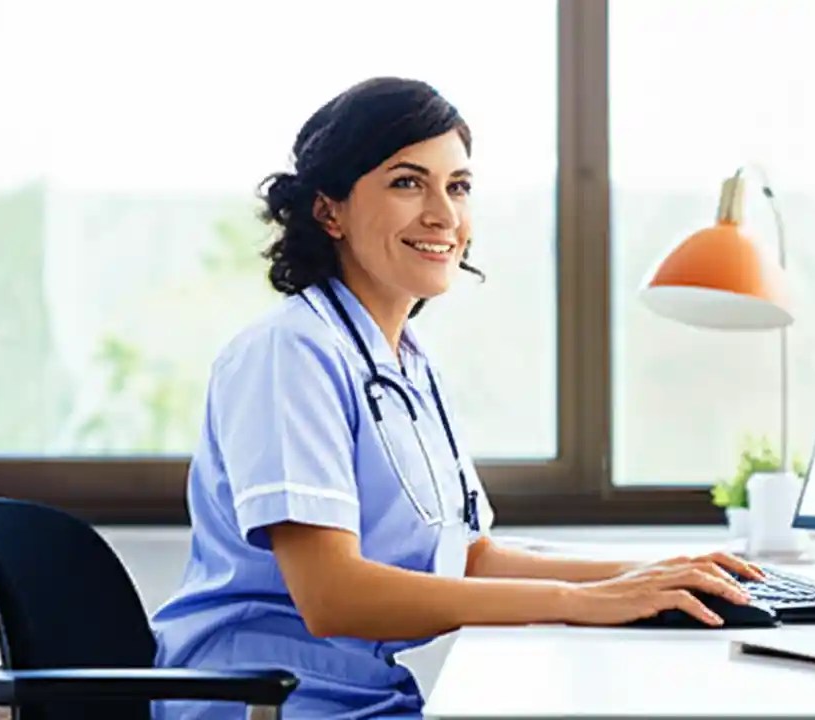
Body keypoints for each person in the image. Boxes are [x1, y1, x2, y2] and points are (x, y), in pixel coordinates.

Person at [150, 76, 763, 719]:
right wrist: (579, 602)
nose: (444, 214)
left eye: (459, 186)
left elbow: (470, 557)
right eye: (407, 183)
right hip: (264, 704)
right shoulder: (290, 353)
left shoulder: (405, 363)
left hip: (359, 697)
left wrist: (652, 574)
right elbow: (332, 595)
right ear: (330, 211)